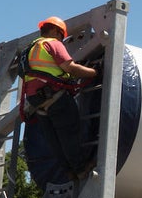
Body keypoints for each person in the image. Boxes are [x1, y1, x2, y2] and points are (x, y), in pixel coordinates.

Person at [22, 16, 98, 184]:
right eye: (61, 36)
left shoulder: (30, 49)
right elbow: (70, 67)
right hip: (55, 97)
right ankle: (80, 168)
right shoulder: (53, 44)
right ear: (56, 31)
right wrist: (93, 73)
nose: (62, 40)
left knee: (54, 141)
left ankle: (69, 172)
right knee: (70, 133)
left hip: (37, 102)